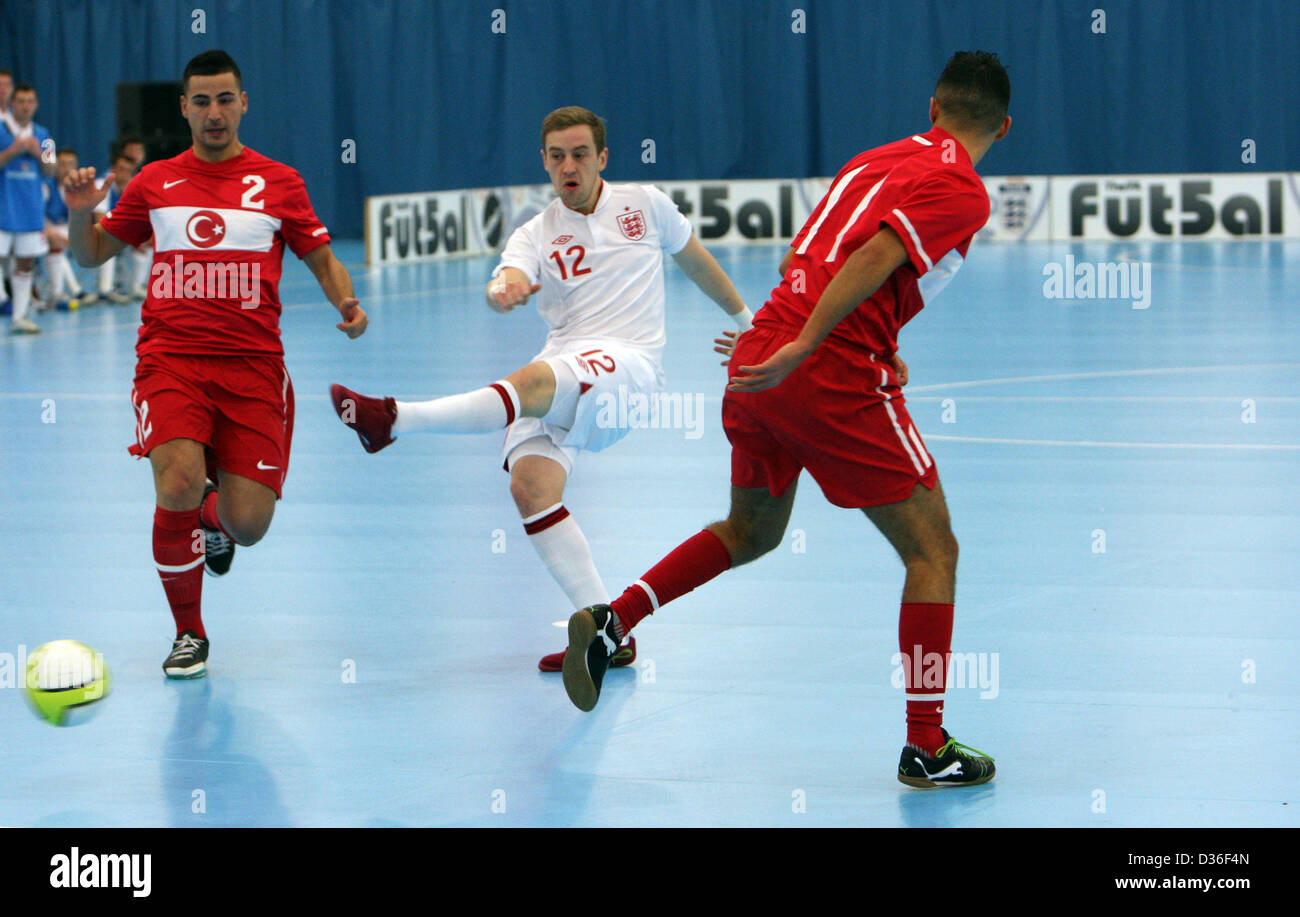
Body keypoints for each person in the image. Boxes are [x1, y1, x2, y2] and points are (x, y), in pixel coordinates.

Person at [559, 51, 1012, 790]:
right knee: (934, 551)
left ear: (932, 107)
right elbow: (875, 255)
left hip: (762, 351)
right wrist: (812, 346)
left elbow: (818, 255)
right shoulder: (961, 185)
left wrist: (809, 338)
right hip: (823, 368)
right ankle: (926, 745)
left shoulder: (873, 161)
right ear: (1004, 125)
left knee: (753, 531)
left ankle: (615, 621)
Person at [331, 105, 752, 672]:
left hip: (629, 367)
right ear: (545, 163)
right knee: (531, 489)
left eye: (580, 154)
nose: (568, 167)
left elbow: (696, 262)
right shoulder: (535, 232)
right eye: (556, 157)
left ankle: (392, 420)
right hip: (568, 358)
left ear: (603, 158)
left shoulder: (645, 205)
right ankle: (610, 632)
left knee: (528, 379)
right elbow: (503, 279)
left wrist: (750, 322)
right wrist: (504, 290)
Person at [65, 49, 369, 678]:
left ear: (244, 103)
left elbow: (318, 254)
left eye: (225, 99)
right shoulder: (154, 182)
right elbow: (91, 255)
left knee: (249, 524)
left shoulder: (279, 182)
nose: (213, 113)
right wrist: (78, 209)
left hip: (253, 368)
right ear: (184, 108)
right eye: (200, 101)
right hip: (170, 359)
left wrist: (346, 300)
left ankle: (215, 517)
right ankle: (189, 633)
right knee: (174, 480)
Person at [1, 82, 56, 334]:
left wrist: (39, 154)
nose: (25, 105)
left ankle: (19, 317)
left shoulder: (44, 134)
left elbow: (52, 170)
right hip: (3, 207)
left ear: (36, 105)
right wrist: (12, 151)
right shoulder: (2, 129)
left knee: (25, 264)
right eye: (21, 101)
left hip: (30, 210)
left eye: (30, 101)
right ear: (12, 103)